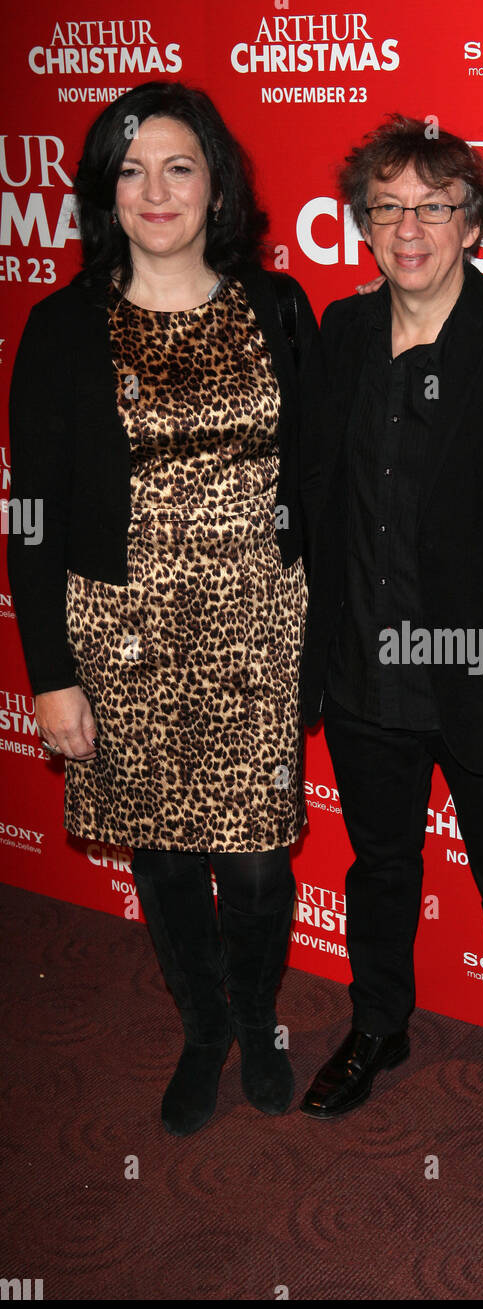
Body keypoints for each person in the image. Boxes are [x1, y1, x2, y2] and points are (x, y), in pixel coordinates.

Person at [8, 81, 323, 1137]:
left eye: (178, 166)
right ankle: (204, 1028)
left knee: (257, 853)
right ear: (105, 191)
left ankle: (262, 1018)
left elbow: (317, 482)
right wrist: (50, 673)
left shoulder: (276, 307)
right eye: (132, 170)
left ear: (214, 183)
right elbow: (38, 515)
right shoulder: (61, 328)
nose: (156, 190)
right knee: (165, 849)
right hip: (123, 634)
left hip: (257, 626)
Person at [300, 114, 483, 1174]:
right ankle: (378, 1026)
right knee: (377, 865)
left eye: (432, 204)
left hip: (479, 672)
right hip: (365, 666)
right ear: (361, 224)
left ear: (471, 221)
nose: (407, 226)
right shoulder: (338, 332)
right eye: (385, 206)